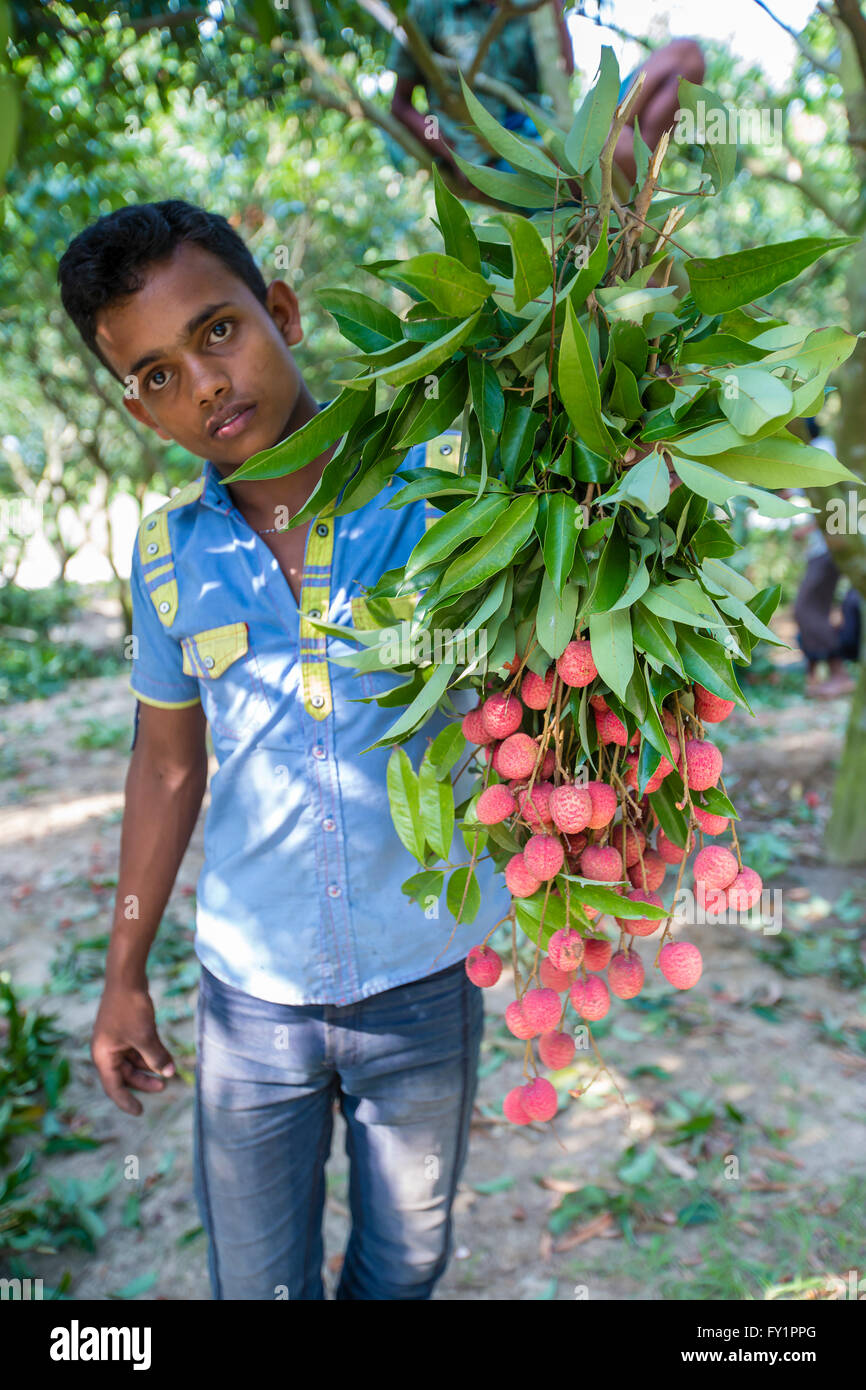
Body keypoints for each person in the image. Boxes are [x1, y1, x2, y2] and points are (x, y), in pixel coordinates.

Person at [57, 199, 510, 1301]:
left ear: (284, 311)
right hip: (249, 1002)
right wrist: (124, 976)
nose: (204, 382)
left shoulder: (442, 486)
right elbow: (167, 766)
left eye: (217, 330)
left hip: (422, 976)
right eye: (158, 374)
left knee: (404, 1264)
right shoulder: (166, 555)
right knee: (258, 1281)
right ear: (138, 410)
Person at [387, 0, 704, 197]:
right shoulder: (429, 8)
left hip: (546, 122)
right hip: (500, 149)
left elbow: (562, 71)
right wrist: (449, 149)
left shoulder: (528, 6)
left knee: (686, 58)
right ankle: (621, 177)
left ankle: (621, 168)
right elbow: (401, 105)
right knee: (620, 151)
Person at [791, 421, 860, 698]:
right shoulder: (820, 450)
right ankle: (829, 674)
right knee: (814, 607)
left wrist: (810, 528)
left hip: (830, 545)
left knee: (806, 607)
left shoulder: (820, 450)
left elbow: (838, 500)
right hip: (829, 542)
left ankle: (839, 674)